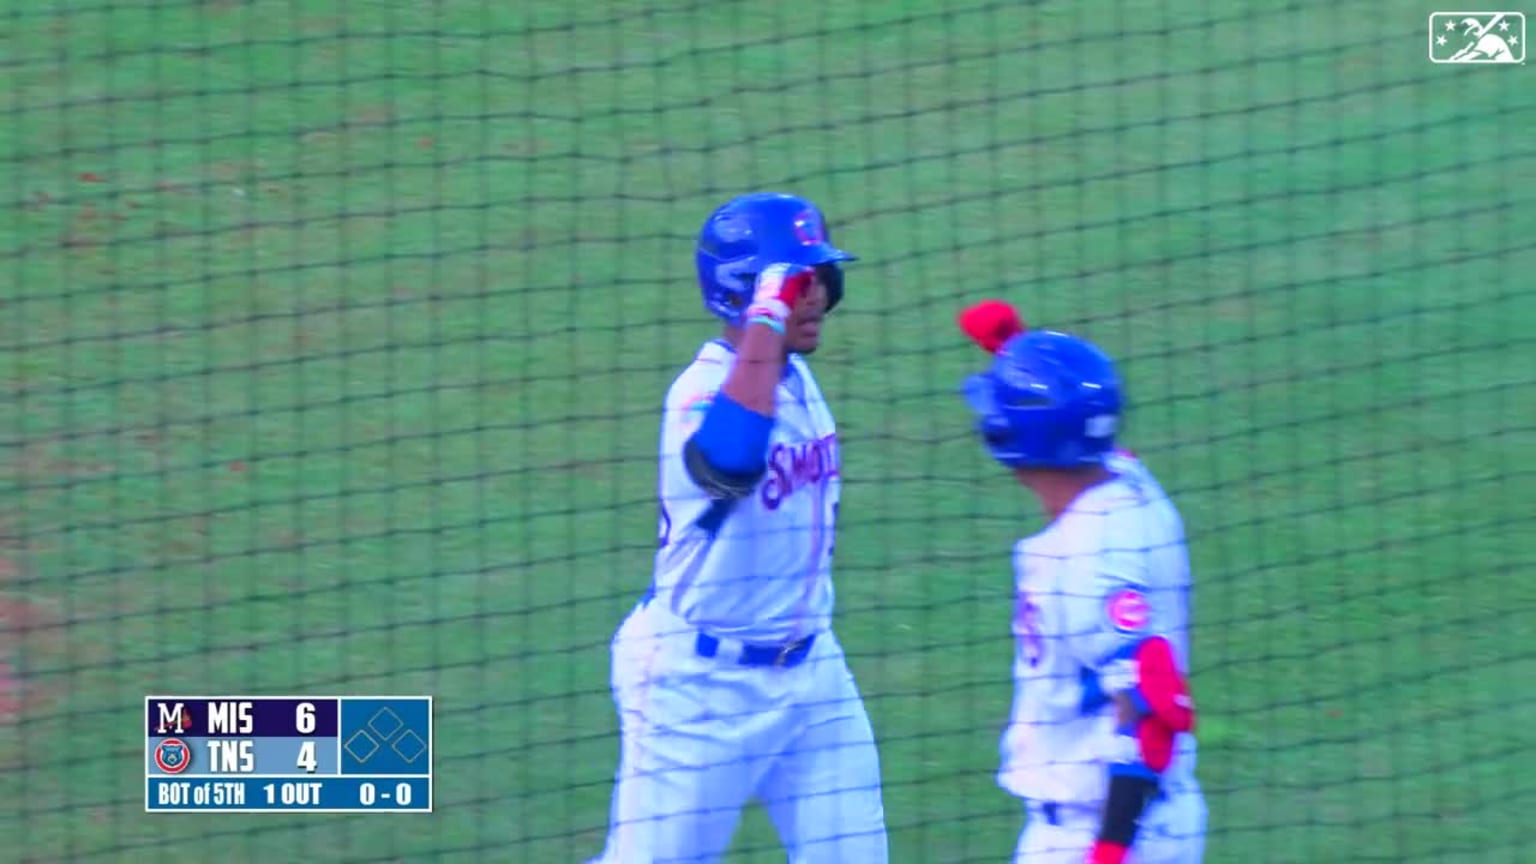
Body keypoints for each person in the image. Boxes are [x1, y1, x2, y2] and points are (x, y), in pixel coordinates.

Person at [590, 192, 889, 863]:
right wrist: (767, 315)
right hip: (700, 688)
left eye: (819, 280)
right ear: (746, 294)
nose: (815, 296)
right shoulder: (699, 394)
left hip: (813, 676)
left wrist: (773, 316)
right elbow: (729, 461)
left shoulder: (798, 378)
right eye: (797, 282)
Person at [955, 300, 1207, 864]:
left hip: (1096, 834)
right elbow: (1080, 427)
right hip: (1151, 821)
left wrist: (1108, 853)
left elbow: (1151, 709)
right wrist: (1017, 357)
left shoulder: (1085, 555)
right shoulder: (1129, 483)